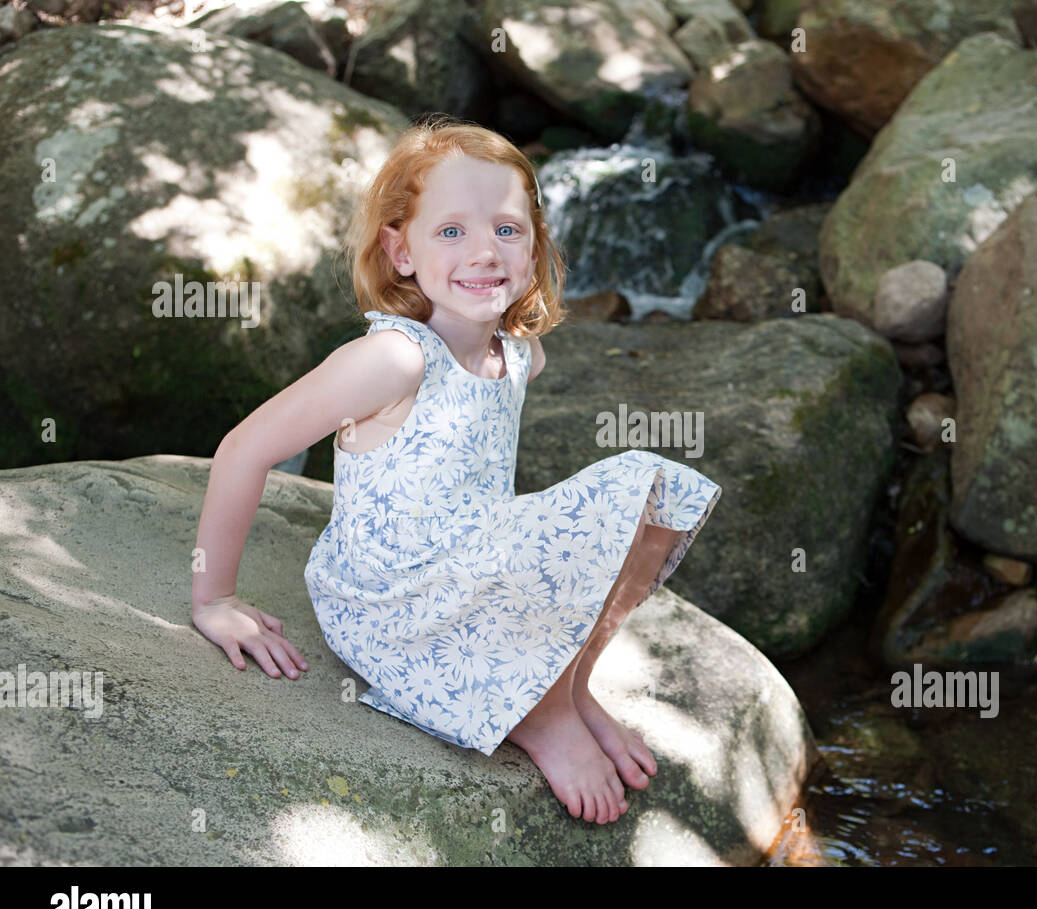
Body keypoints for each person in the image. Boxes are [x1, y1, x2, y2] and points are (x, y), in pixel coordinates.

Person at [191, 115, 722, 826]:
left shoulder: (518, 354)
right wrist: (214, 599)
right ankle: (539, 716)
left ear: (535, 248)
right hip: (396, 601)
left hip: (470, 569)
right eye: (451, 232)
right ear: (399, 250)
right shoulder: (393, 359)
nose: (484, 252)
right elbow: (243, 448)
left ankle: (567, 686)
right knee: (629, 477)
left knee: (655, 488)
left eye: (507, 229)